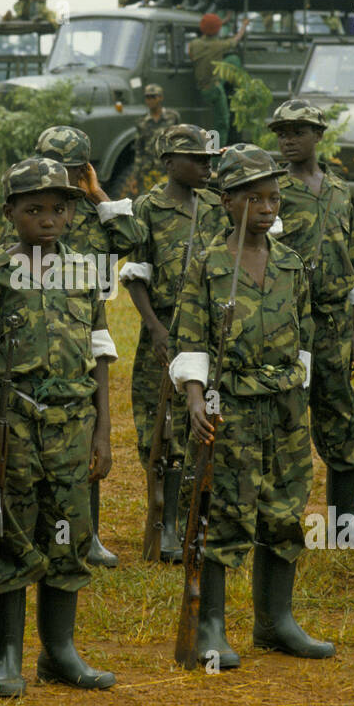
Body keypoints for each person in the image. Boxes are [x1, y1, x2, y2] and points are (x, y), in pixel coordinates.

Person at [0, 155, 118, 695]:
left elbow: (100, 351)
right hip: (15, 428)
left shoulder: (86, 269)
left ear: (72, 214)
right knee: (13, 537)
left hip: (75, 428)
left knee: (67, 538)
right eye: (34, 210)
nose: (47, 219)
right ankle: (5, 654)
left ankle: (60, 651)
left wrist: (103, 433)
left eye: (58, 209)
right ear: (10, 213)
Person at [173, 143, 334, 664]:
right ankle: (211, 625)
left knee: (285, 510)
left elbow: (303, 331)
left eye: (273, 198)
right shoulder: (208, 265)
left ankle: (276, 621)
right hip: (230, 407)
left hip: (285, 407)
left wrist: (300, 392)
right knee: (223, 511)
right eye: (254, 199)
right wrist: (196, 399)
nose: (267, 208)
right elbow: (190, 342)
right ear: (227, 202)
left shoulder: (289, 263)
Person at [0, 126, 140, 567]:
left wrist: (97, 194)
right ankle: (27, 529)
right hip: (34, 344)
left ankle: (87, 532)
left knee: (84, 438)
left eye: (73, 170)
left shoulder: (93, 219)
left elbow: (134, 238)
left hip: (83, 335)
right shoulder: (22, 231)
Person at [122, 124, 228, 561]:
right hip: (164, 335)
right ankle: (161, 525)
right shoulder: (148, 209)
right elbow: (136, 275)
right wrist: (154, 327)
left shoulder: (216, 206)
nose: (207, 167)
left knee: (199, 428)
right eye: (197, 160)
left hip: (204, 335)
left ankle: (193, 520)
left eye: (209, 159)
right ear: (169, 163)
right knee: (158, 428)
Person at [269, 101, 354, 533]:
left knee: (341, 420)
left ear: (318, 135)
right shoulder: (271, 191)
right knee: (286, 422)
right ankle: (281, 520)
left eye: (298, 131)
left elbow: (352, 260)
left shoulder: (341, 191)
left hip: (333, 325)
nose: (288, 139)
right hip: (288, 323)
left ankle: (342, 523)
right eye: (282, 132)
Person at [188, 13, 248, 143]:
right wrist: (243, 26)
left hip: (202, 86)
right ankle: (216, 156)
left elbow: (192, 55)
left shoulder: (194, 44)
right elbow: (236, 39)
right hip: (214, 89)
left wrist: (223, 21)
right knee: (222, 123)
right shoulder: (218, 45)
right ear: (217, 30)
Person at [132, 83, 181, 193]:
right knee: (149, 202)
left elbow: (178, 143)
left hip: (167, 170)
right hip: (148, 171)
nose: (150, 100)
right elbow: (139, 150)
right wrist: (135, 176)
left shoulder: (172, 117)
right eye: (147, 97)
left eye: (153, 97)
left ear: (161, 98)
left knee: (169, 200)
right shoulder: (141, 122)